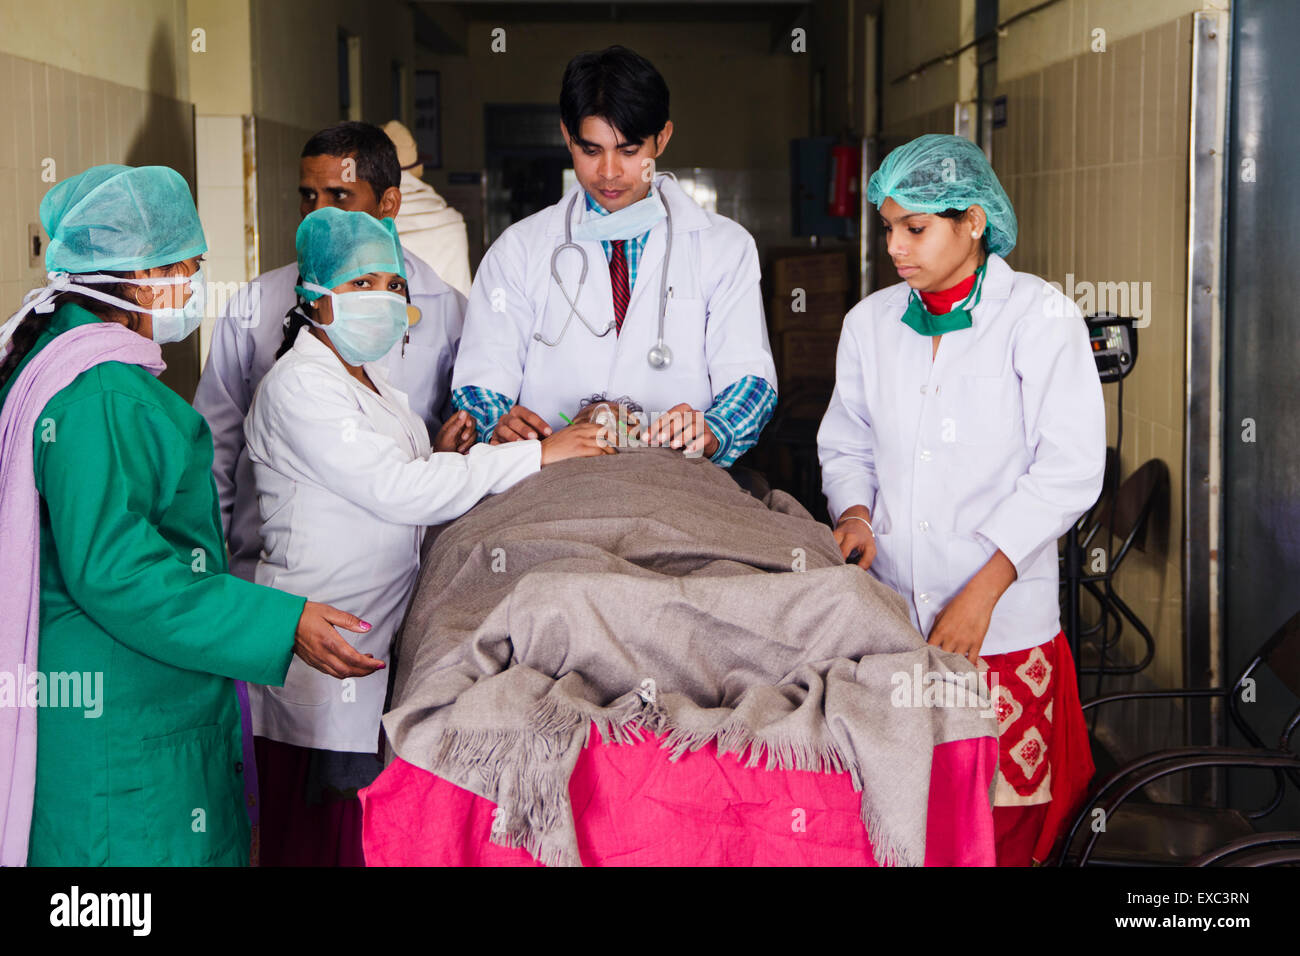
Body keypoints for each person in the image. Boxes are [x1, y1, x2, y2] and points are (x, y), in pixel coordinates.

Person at [0, 165, 380, 867]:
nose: (195, 287)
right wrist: (281, 620)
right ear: (142, 276)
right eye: (190, 267)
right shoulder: (101, 397)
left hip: (128, 702)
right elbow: (117, 573)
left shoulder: (65, 365)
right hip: (122, 725)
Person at [243, 207, 612, 866]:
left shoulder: (371, 381)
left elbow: (404, 477)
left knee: (358, 835)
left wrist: (441, 451)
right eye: (361, 285)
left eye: (391, 283)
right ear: (315, 296)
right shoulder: (300, 385)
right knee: (313, 844)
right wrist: (540, 454)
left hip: (373, 638)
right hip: (322, 655)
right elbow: (396, 489)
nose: (382, 299)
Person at [816, 134, 1106, 866]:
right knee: (904, 819)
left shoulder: (1038, 318)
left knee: (998, 831)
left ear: (973, 220)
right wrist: (853, 513)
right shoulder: (869, 325)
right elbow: (846, 443)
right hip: (889, 619)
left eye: (915, 228)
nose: (895, 248)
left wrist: (984, 589)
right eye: (888, 228)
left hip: (1003, 629)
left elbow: (1069, 469)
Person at [451, 45, 777, 467]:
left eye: (628, 151)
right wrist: (497, 423)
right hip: (552, 482)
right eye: (590, 150)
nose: (608, 172)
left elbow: (750, 379)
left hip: (678, 479)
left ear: (662, 138)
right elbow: (480, 380)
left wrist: (715, 428)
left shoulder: (724, 247)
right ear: (568, 137)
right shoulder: (517, 250)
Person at [194, 121, 471, 583]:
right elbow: (216, 448)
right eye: (308, 196)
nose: (315, 213)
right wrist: (207, 575)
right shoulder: (254, 304)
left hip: (400, 578)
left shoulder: (446, 311)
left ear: (388, 204)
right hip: (267, 576)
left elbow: (451, 448)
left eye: (339, 196)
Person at [381, 119, 472, 298]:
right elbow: (461, 298)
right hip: (442, 325)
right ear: (418, 168)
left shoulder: (364, 220)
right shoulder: (451, 224)